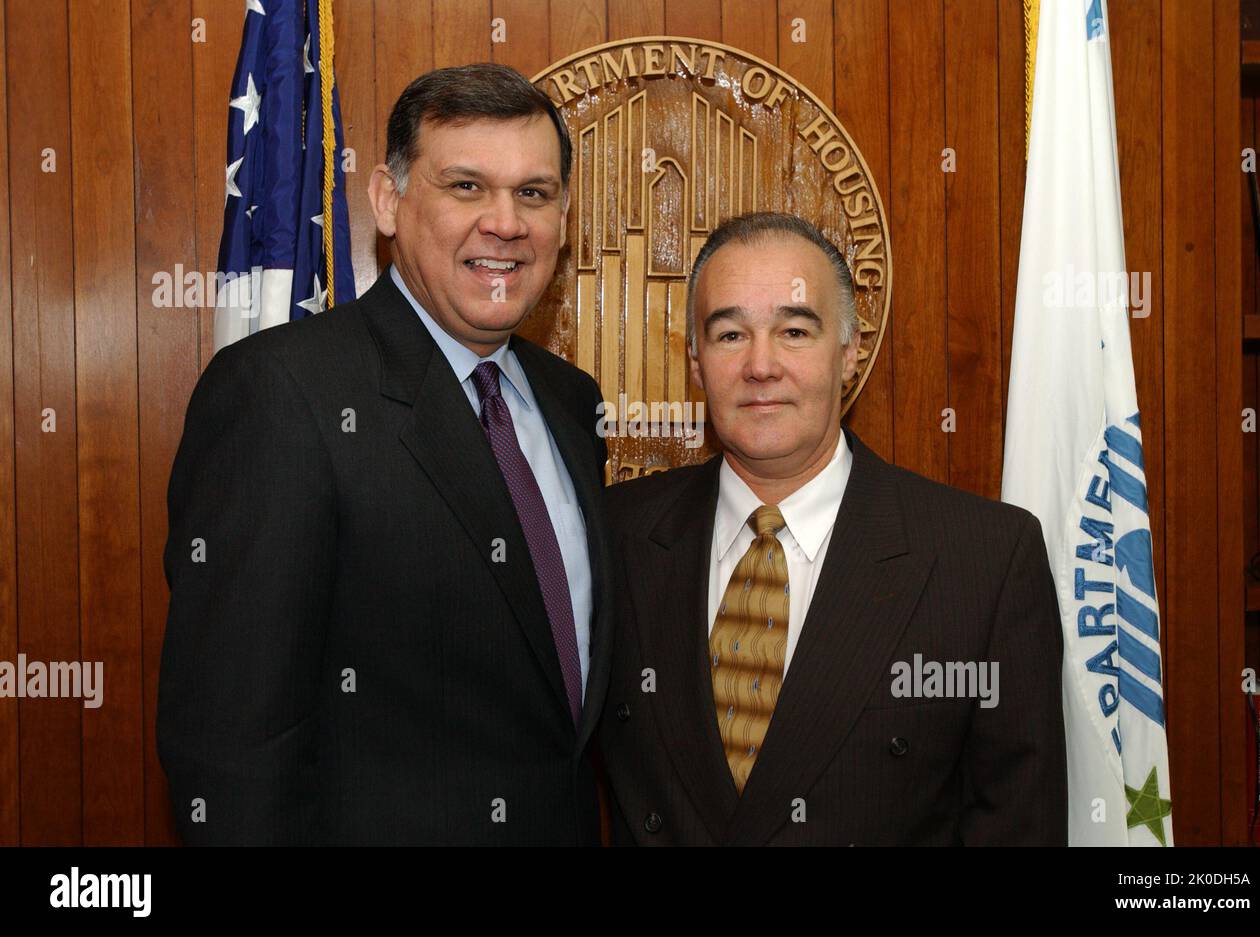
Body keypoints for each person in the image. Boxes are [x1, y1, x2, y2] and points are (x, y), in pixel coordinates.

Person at [157, 64, 612, 845]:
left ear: (564, 218)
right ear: (388, 201)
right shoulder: (280, 394)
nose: (505, 222)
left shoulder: (571, 402)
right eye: (466, 186)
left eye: (533, 193)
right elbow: (233, 752)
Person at [598, 212, 1067, 845]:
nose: (761, 366)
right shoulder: (614, 536)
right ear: (696, 360)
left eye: (794, 331)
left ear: (849, 354)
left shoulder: (983, 560)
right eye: (730, 334)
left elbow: (1017, 827)